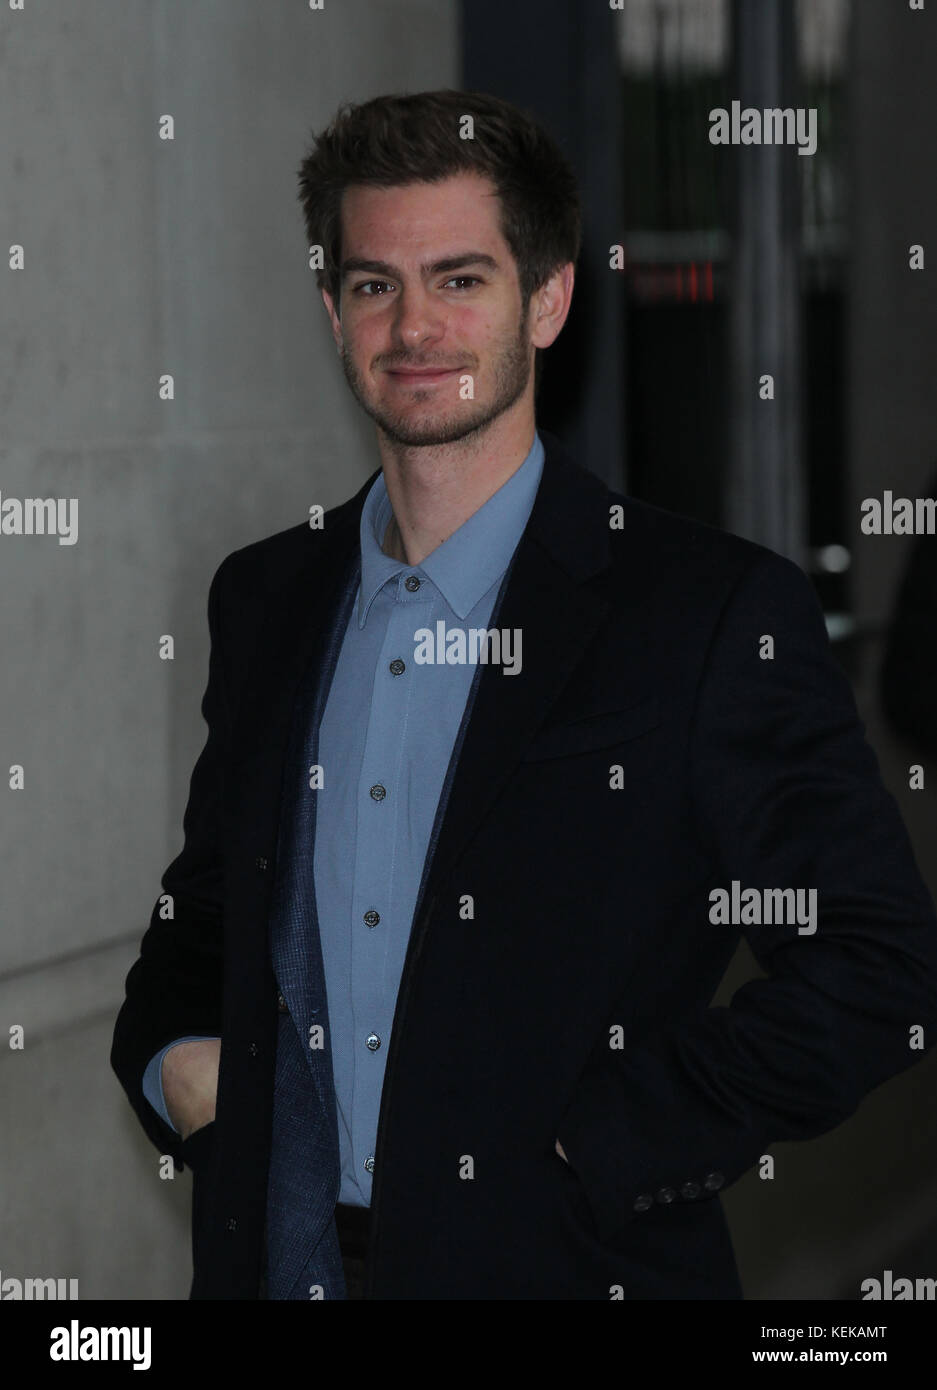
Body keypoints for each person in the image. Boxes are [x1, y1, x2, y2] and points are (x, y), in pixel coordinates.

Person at [111, 88, 937, 1301]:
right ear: (332, 311)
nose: (413, 328)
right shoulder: (267, 596)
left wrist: (605, 1135)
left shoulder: (704, 614)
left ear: (545, 299)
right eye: (373, 284)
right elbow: (209, 905)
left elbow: (874, 961)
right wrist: (179, 1067)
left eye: (460, 279)